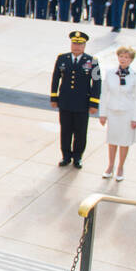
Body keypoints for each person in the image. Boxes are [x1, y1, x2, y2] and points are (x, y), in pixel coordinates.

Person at [50, 31, 101, 169]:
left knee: (80, 132)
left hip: (82, 103)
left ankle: (77, 157)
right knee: (65, 130)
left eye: (80, 44)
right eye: (74, 43)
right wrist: (54, 97)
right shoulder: (62, 58)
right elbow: (56, 78)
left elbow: (96, 82)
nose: (76, 46)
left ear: (84, 46)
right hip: (65, 101)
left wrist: (94, 103)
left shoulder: (92, 61)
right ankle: (66, 156)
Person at [98, 46, 136, 181]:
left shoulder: (135, 76)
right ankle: (110, 165)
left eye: (127, 57)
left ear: (131, 60)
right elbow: (104, 94)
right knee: (112, 140)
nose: (123, 59)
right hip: (112, 112)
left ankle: (120, 167)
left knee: (124, 142)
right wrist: (103, 114)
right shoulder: (110, 73)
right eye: (121, 56)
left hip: (127, 114)